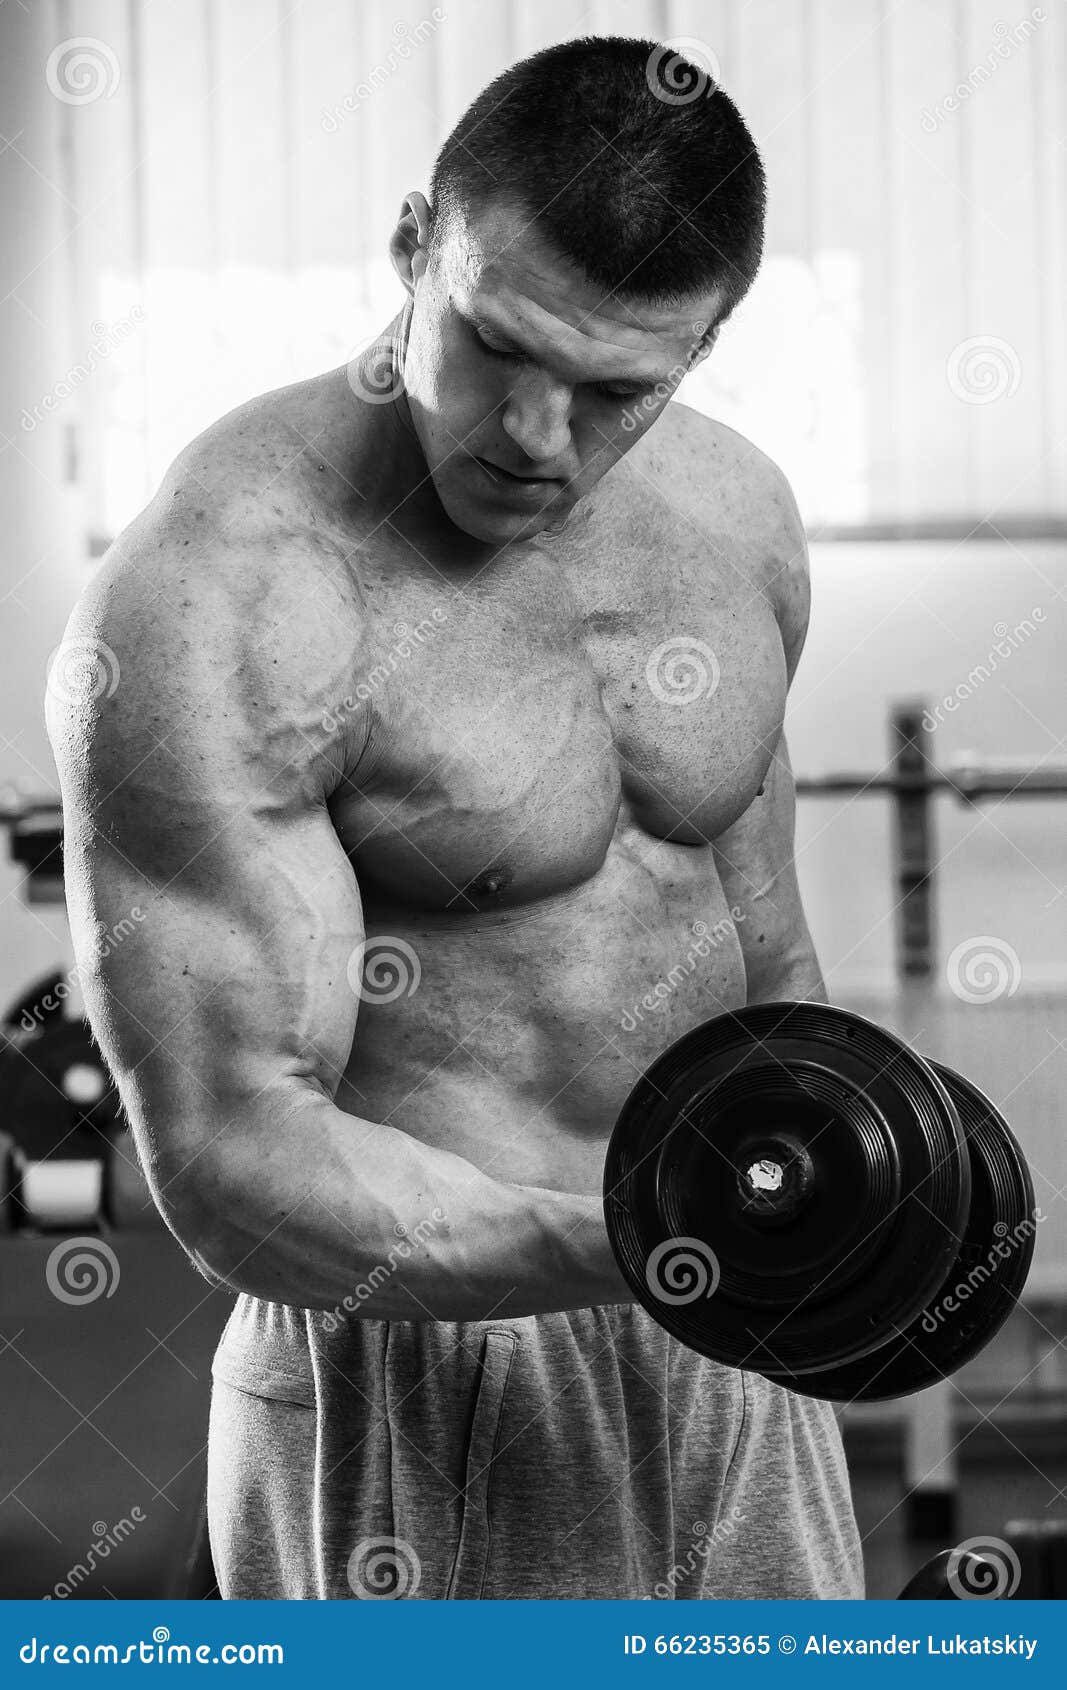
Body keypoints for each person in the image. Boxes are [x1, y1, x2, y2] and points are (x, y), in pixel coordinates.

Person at [46, 36, 864, 1600]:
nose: (536, 438)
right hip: (410, 1381)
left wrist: (853, 1200)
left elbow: (769, 966)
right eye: (497, 347)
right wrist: (644, 1249)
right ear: (417, 243)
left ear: (704, 345)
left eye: (618, 387)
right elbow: (228, 1162)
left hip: (732, 1357)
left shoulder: (738, 517)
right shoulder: (222, 589)